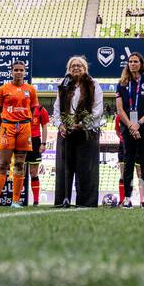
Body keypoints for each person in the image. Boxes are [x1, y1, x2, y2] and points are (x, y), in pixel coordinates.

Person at [52, 56, 104, 207]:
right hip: (66, 132)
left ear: (85, 68)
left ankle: (86, 202)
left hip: (87, 133)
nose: (76, 68)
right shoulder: (64, 85)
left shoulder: (94, 84)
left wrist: (82, 124)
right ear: (69, 69)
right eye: (73, 66)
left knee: (86, 169)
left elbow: (97, 109)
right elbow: (57, 108)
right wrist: (60, 125)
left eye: (79, 66)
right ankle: (63, 200)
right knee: (64, 168)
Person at [0, 61, 38, 209]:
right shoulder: (3, 89)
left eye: (21, 70)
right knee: (3, 164)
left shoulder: (30, 90)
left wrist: (27, 124)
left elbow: (33, 109)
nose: (18, 72)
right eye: (16, 70)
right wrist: (2, 127)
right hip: (7, 127)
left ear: (25, 72)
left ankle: (16, 201)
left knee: (19, 164)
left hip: (24, 127)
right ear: (11, 72)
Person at [115, 52, 144, 208]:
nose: (132, 64)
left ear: (141, 64)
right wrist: (131, 125)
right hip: (127, 127)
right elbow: (120, 109)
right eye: (130, 61)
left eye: (135, 61)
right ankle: (127, 198)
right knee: (128, 162)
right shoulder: (122, 83)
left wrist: (138, 123)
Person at [26, 98, 51, 206]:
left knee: (33, 172)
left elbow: (44, 126)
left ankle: (36, 201)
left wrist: (44, 143)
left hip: (35, 141)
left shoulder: (41, 109)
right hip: (22, 140)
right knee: (20, 171)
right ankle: (17, 199)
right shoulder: (21, 108)